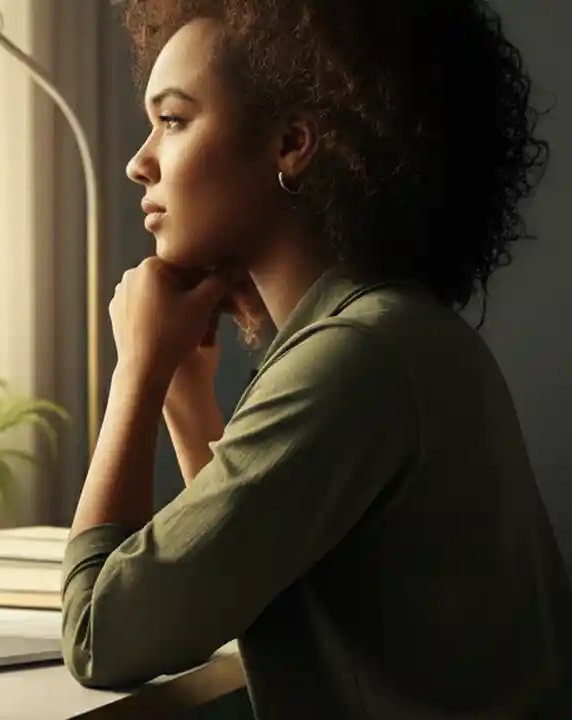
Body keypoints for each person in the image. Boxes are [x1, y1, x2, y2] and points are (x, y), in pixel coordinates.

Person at [60, 1, 572, 717]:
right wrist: (186, 401)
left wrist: (135, 376)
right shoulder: (392, 331)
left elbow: (100, 638)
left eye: (172, 120)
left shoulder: (353, 359)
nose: (138, 161)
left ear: (292, 142)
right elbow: (249, 574)